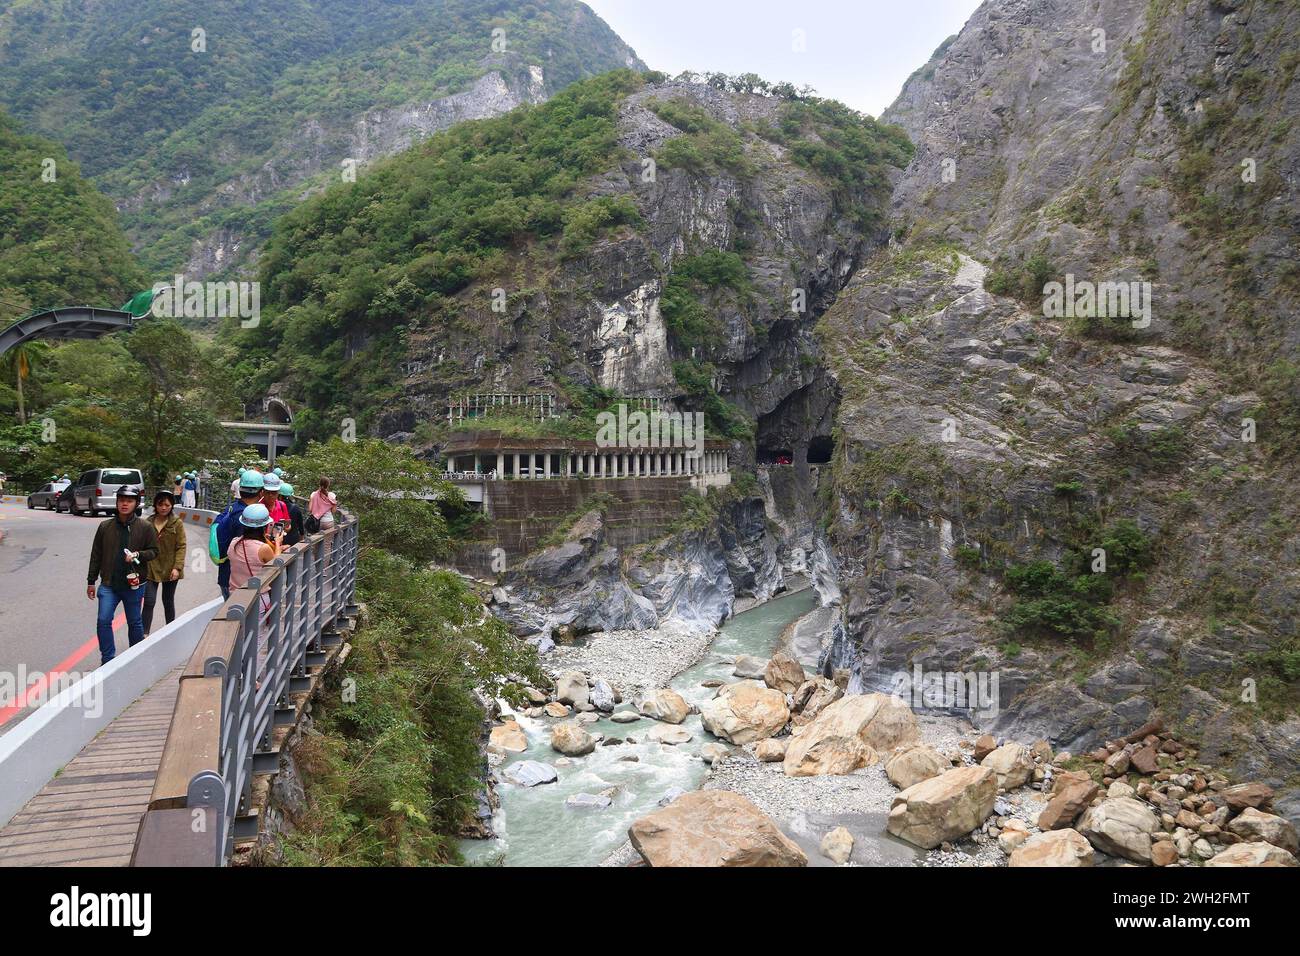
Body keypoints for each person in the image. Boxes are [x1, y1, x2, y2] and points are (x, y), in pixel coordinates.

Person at [86, 486, 159, 665]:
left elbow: (154, 551)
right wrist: (91, 581)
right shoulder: (105, 526)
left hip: (134, 584)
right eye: (121, 500)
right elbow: (96, 555)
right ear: (117, 502)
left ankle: (134, 658)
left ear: (136, 504)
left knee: (134, 622)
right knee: (103, 620)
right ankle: (108, 660)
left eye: (129, 501)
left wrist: (138, 555)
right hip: (109, 584)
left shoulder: (145, 527)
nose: (124, 504)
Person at [215, 469, 264, 599]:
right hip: (238, 582)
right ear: (261, 492)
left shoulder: (232, 508)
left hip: (226, 575)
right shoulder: (246, 518)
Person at [143, 490, 186, 635]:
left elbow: (181, 546)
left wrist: (177, 567)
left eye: (167, 505)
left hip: (170, 567)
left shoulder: (177, 523)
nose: (163, 508)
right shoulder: (147, 522)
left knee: (168, 601)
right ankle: (144, 634)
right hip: (150, 566)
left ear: (172, 506)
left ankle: (170, 632)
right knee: (149, 601)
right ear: (155, 505)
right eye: (160, 504)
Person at [279, 482, 306, 546]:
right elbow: (300, 525)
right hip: (293, 539)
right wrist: (302, 536)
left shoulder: (275, 507)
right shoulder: (296, 508)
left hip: (279, 539)